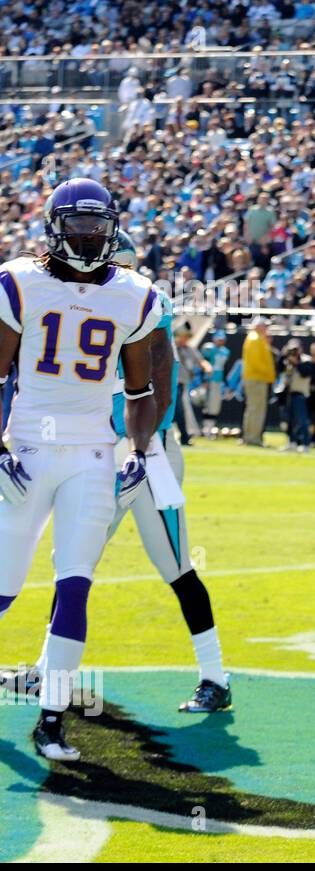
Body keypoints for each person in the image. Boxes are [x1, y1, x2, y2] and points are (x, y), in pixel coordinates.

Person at [0, 178, 161, 760]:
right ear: (54, 227)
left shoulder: (135, 293)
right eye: (79, 225)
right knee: (3, 588)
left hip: (92, 454)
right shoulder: (20, 281)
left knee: (74, 586)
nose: (90, 236)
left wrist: (138, 453)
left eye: (99, 225)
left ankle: (51, 720)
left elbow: (140, 392)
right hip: (26, 451)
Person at [104, 235, 229, 711]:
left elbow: (159, 389)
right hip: (99, 453)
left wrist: (137, 451)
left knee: (177, 568)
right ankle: (48, 670)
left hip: (147, 452)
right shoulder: (88, 306)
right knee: (72, 562)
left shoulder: (147, 306)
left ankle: (214, 677)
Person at [241, 317, 276, 446]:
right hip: (257, 379)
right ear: (258, 326)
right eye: (265, 326)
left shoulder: (256, 338)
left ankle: (249, 437)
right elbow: (256, 363)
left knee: (253, 409)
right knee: (256, 410)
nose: (267, 329)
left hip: (256, 378)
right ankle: (253, 438)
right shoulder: (255, 339)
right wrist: (269, 374)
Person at [280, 340, 312, 452]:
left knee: (302, 420)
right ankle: (292, 442)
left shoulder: (306, 360)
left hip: (300, 393)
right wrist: (283, 355)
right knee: (288, 420)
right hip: (288, 393)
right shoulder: (287, 360)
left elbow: (305, 373)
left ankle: (305, 444)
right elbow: (278, 368)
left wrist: (296, 363)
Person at [199, 328, 229, 437]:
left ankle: (210, 428)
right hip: (209, 380)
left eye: (222, 339)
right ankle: (205, 428)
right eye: (219, 339)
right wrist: (205, 380)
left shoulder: (226, 351)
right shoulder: (209, 349)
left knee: (215, 406)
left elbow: (224, 368)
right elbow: (204, 365)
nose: (220, 341)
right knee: (207, 405)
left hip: (219, 381)